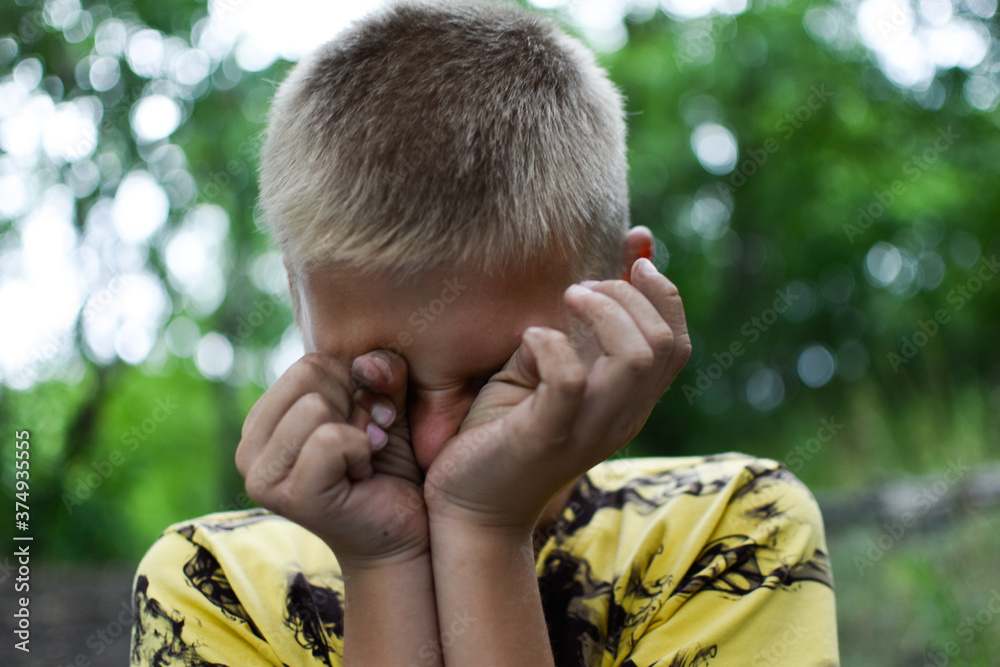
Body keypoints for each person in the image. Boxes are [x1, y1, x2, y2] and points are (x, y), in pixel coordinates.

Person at [129, 1, 839, 664]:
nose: (436, 444)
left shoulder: (732, 528)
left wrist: (483, 529)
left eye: (499, 371)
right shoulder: (213, 584)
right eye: (377, 378)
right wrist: (386, 562)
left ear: (627, 294)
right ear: (297, 297)